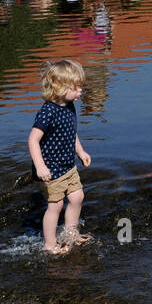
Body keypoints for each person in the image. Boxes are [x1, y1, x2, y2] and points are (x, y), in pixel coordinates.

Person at [28, 59, 92, 255]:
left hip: (68, 166)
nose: (80, 91)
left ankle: (71, 234)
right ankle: (49, 244)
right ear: (60, 88)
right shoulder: (48, 111)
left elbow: (70, 133)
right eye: (76, 87)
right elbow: (33, 140)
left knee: (77, 197)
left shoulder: (70, 106)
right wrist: (40, 167)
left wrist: (80, 151)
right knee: (55, 206)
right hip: (51, 169)